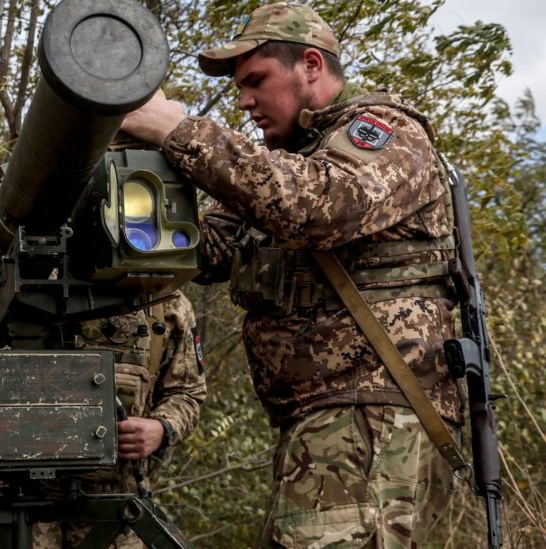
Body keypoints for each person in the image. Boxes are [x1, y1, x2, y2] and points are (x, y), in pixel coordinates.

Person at [121, 3, 462, 548]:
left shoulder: (385, 134)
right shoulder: (282, 168)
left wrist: (180, 132)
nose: (244, 101)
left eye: (256, 80)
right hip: (326, 425)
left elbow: (315, 205)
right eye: (240, 88)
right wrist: (136, 154)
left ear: (310, 65)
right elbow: (197, 253)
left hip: (372, 416)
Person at [34, 290, 207, 548]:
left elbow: (187, 392)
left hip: (119, 505)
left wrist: (161, 427)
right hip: (32, 499)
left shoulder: (169, 303)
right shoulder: (38, 284)